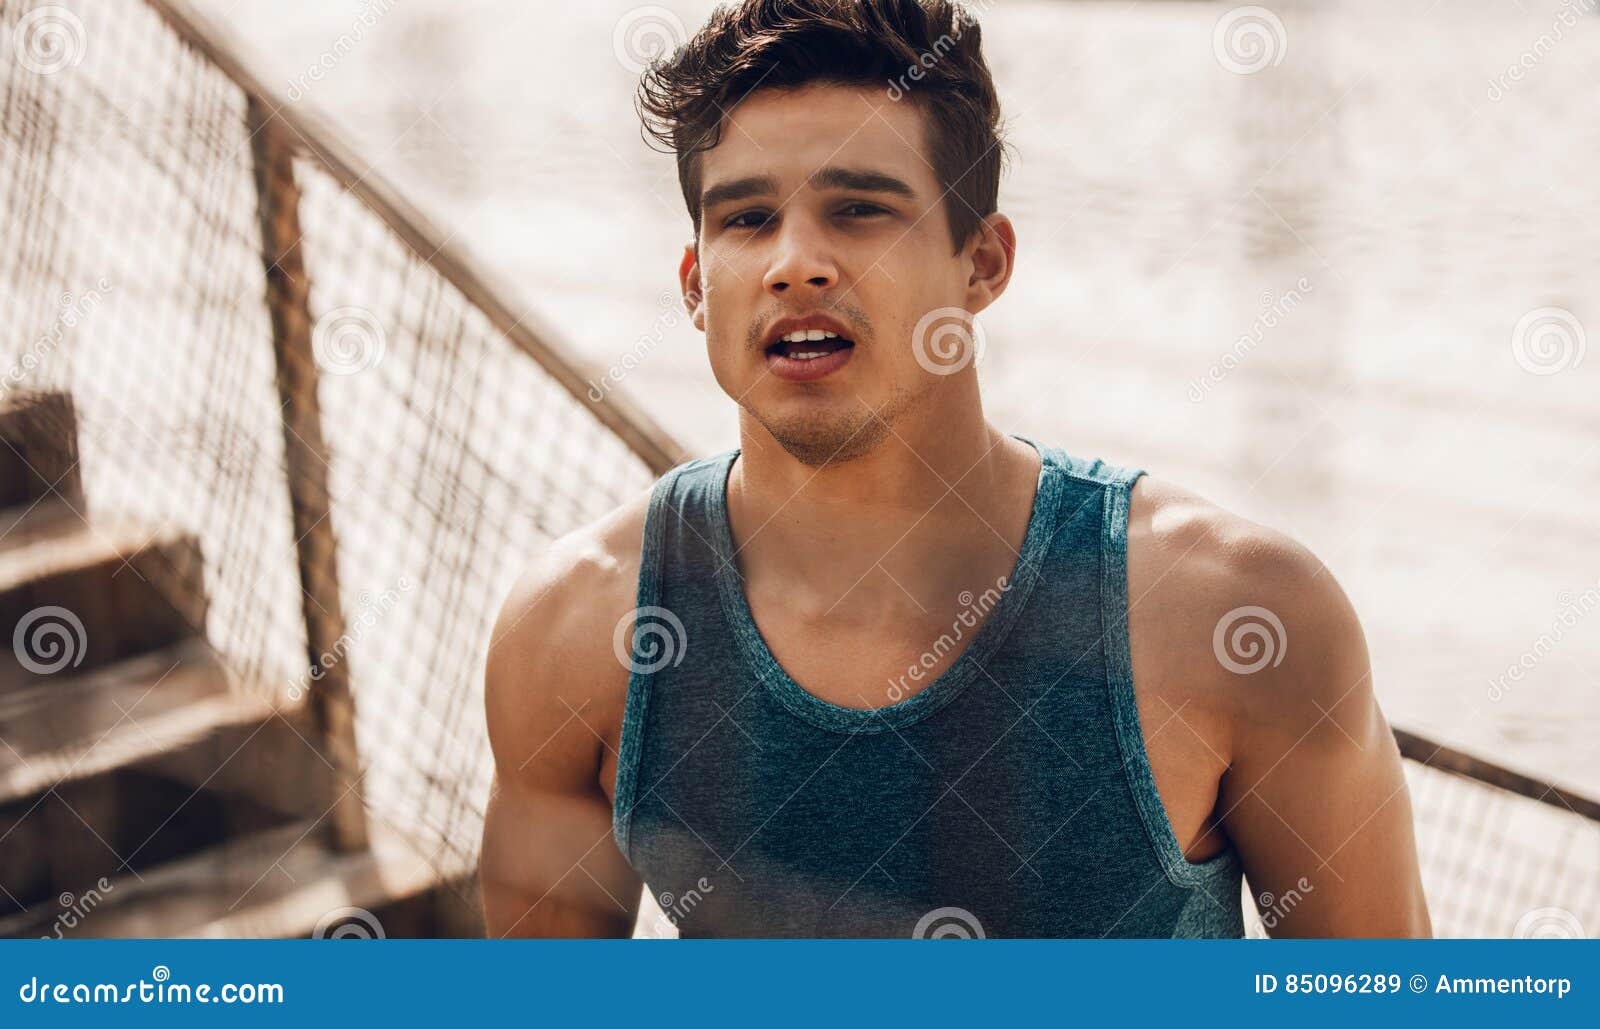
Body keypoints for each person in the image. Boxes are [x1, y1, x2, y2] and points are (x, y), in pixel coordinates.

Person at [478, 0, 1431, 938]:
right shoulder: (579, 630)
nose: (795, 262)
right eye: (748, 218)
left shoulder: (1232, 616)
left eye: (858, 210)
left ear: (981, 263)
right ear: (695, 285)